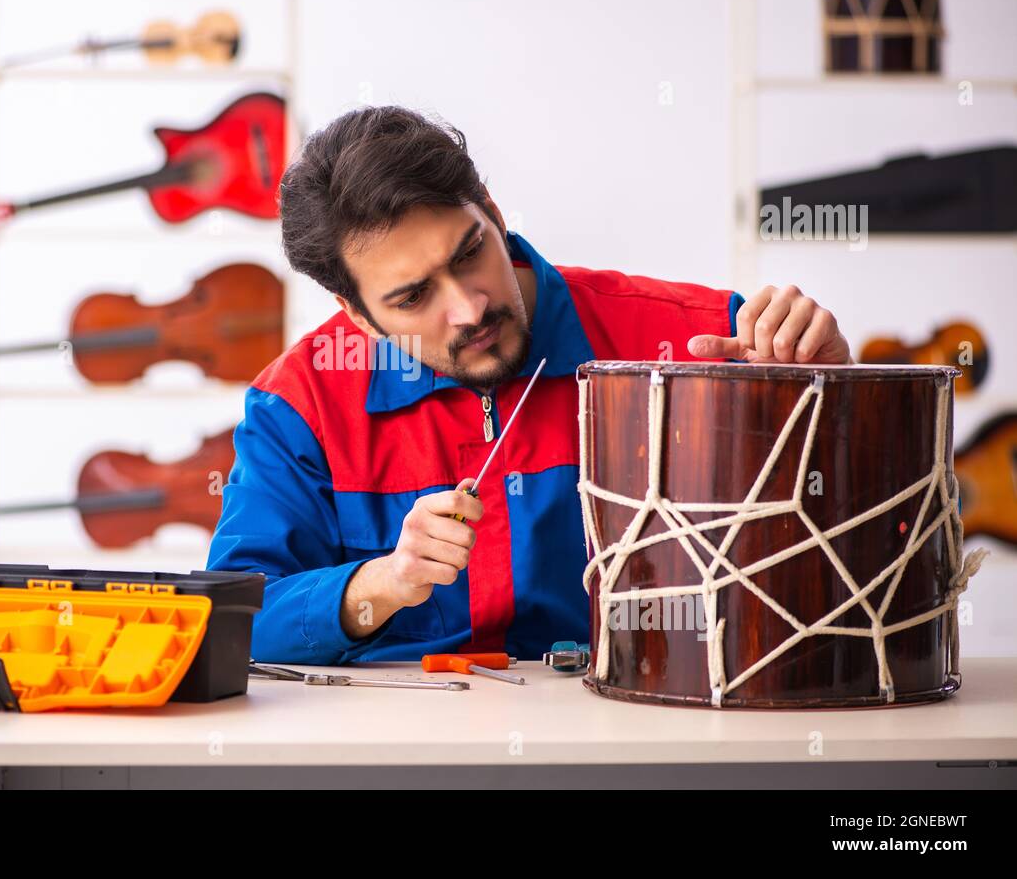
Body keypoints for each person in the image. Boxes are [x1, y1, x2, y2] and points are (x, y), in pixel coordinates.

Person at [206, 106, 852, 664]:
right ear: (359, 315)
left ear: (490, 209)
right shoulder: (300, 405)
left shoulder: (702, 339)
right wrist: (382, 582)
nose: (468, 308)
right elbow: (232, 615)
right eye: (413, 296)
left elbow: (858, 550)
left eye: (468, 254)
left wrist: (843, 396)